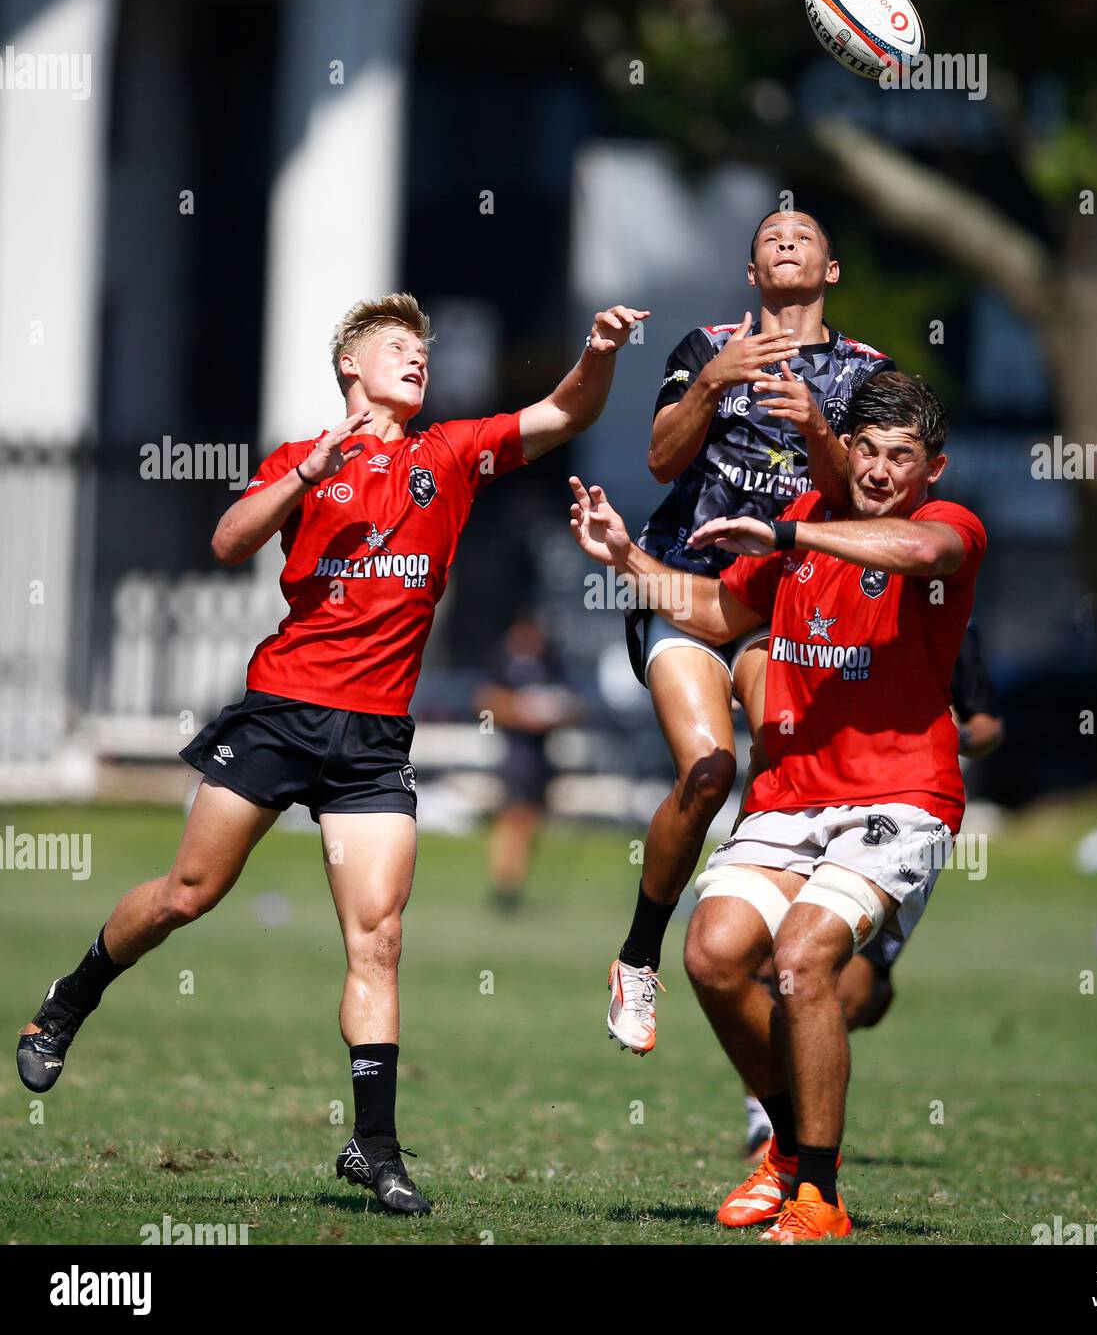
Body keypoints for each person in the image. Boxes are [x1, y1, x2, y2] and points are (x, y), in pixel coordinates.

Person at [17, 292, 647, 1216]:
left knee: (380, 939)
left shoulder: (451, 452)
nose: (416, 359)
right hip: (280, 715)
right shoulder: (304, 460)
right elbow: (230, 540)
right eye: (397, 347)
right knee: (188, 895)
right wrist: (305, 473)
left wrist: (597, 353)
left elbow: (564, 413)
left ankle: (376, 1148)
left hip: (374, 738)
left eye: (422, 350)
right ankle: (67, 1003)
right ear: (352, 366)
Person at [569, 368, 986, 1241]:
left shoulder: (948, 527)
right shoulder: (798, 529)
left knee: (800, 961)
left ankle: (820, 1199)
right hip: (790, 797)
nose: (878, 470)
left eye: (899, 457)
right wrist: (626, 557)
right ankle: (791, 1148)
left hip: (897, 798)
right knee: (715, 958)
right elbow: (718, 612)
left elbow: (915, 555)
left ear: (930, 469)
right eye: (866, 451)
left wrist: (799, 530)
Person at [606, 209, 893, 1054]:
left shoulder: (864, 376)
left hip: (779, 608)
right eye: (771, 235)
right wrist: (711, 383)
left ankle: (760, 942)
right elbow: (660, 461)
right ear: (750, 270)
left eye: (806, 233)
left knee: (782, 767)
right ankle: (637, 956)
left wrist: (813, 425)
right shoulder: (704, 347)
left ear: (830, 271)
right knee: (708, 769)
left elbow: (861, 504)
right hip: (684, 587)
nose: (787, 239)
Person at [740, 622, 1004, 1158]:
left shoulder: (940, 611)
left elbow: (988, 726)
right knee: (775, 967)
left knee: (844, 990)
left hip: (898, 824)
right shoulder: (813, 604)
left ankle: (869, 996)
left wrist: (952, 733)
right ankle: (770, 1127)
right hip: (812, 811)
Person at [475, 616, 579, 912]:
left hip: (541, 755)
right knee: (513, 817)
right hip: (516, 753)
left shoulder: (550, 663)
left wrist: (555, 711)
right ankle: (505, 882)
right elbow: (485, 700)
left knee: (531, 819)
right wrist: (522, 712)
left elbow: (572, 704)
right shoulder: (502, 662)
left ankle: (512, 882)